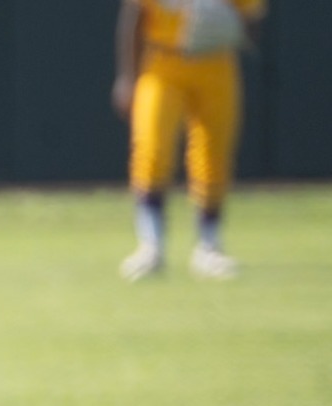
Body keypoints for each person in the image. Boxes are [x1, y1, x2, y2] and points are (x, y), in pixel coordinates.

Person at [113, 0, 268, 281]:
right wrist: (128, 77)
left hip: (216, 61)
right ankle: (151, 244)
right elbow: (134, 15)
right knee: (152, 147)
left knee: (213, 153)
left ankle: (209, 244)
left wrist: (230, 25)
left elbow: (253, 23)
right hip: (163, 60)